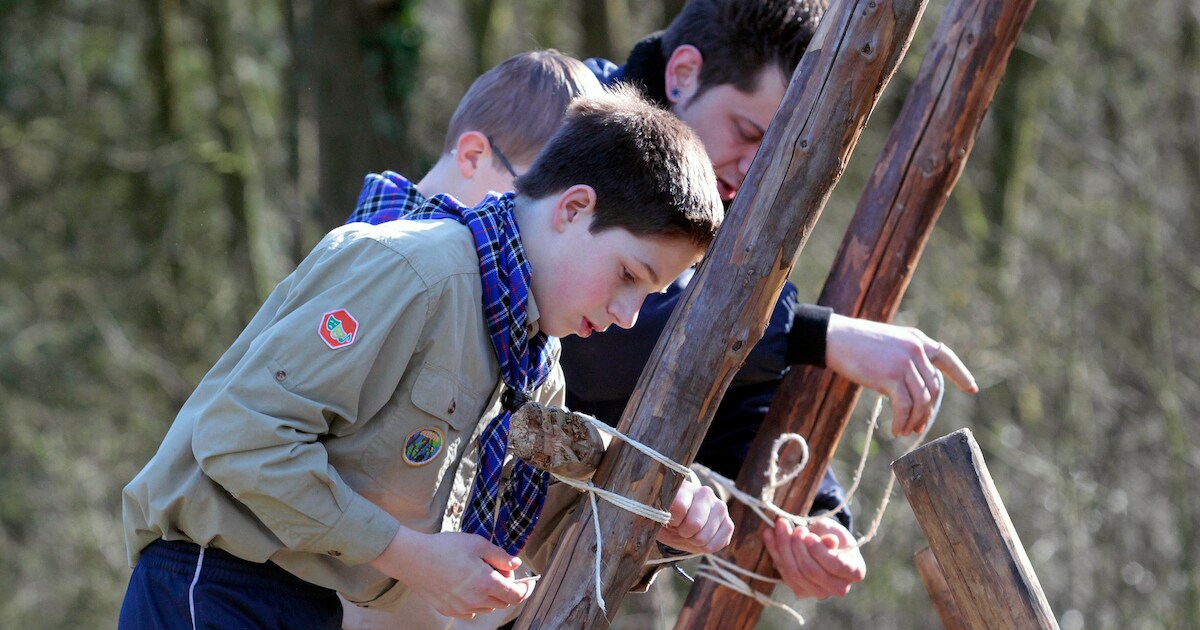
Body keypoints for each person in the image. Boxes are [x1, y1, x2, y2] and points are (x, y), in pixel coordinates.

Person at [118, 86, 732, 630]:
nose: (628, 314)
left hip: (313, 607)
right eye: (628, 274)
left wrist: (658, 525)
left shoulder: (535, 371)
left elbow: (527, 527)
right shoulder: (411, 272)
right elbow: (240, 439)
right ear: (573, 208)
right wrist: (408, 555)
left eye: (647, 296)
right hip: (214, 588)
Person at [570, 0, 978, 601]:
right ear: (682, 74)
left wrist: (813, 513)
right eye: (748, 132)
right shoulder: (569, 119)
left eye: (779, 148)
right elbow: (588, 348)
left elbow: (739, 390)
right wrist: (821, 336)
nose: (758, 165)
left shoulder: (726, 194)